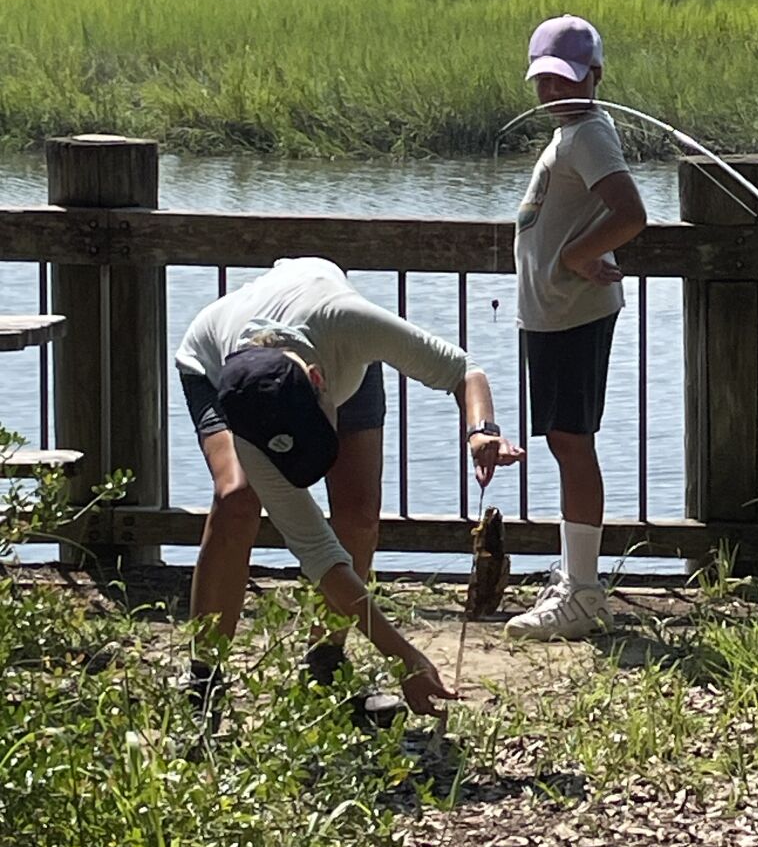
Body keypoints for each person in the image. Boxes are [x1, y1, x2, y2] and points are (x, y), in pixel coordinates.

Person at [175, 256, 522, 722]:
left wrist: (481, 431)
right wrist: (406, 656)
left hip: (327, 346)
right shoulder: (250, 417)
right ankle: (204, 682)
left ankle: (325, 668)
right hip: (221, 366)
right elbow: (321, 555)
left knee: (358, 514)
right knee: (237, 498)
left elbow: (465, 371)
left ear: (321, 384)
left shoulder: (351, 322)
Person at [504, 15, 647, 642]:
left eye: (566, 80)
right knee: (567, 441)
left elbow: (631, 212)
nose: (554, 92)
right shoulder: (575, 130)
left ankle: (582, 592)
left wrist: (576, 257)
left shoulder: (587, 133)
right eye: (545, 80)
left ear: (596, 76)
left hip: (571, 312)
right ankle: (576, 581)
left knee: (571, 442)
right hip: (554, 313)